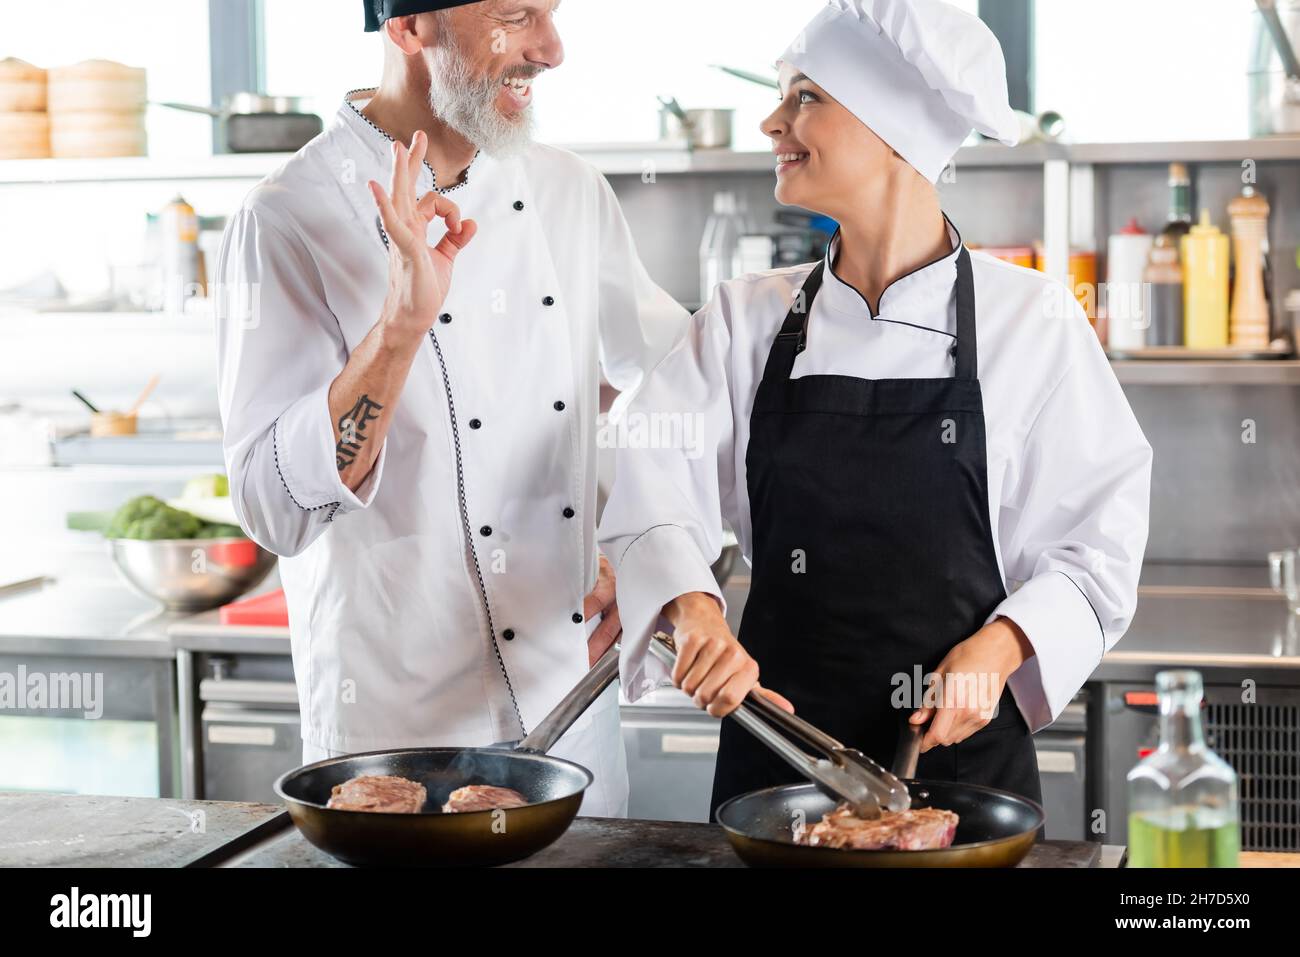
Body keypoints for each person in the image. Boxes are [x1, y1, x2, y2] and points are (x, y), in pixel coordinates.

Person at [599, 0, 1152, 815]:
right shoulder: (744, 319)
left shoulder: (1031, 322)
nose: (771, 120)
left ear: (894, 132)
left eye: (804, 97)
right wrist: (695, 613)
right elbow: (648, 476)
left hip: (962, 770)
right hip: (777, 767)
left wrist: (1001, 649)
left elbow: (1098, 543)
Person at [215, 0, 688, 816]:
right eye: (516, 16)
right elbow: (272, 508)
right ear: (409, 27)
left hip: (568, 720)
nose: (552, 49)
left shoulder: (568, 191)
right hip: (397, 741)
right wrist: (399, 329)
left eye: (551, 14)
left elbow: (676, 380)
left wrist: (627, 543)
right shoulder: (286, 218)